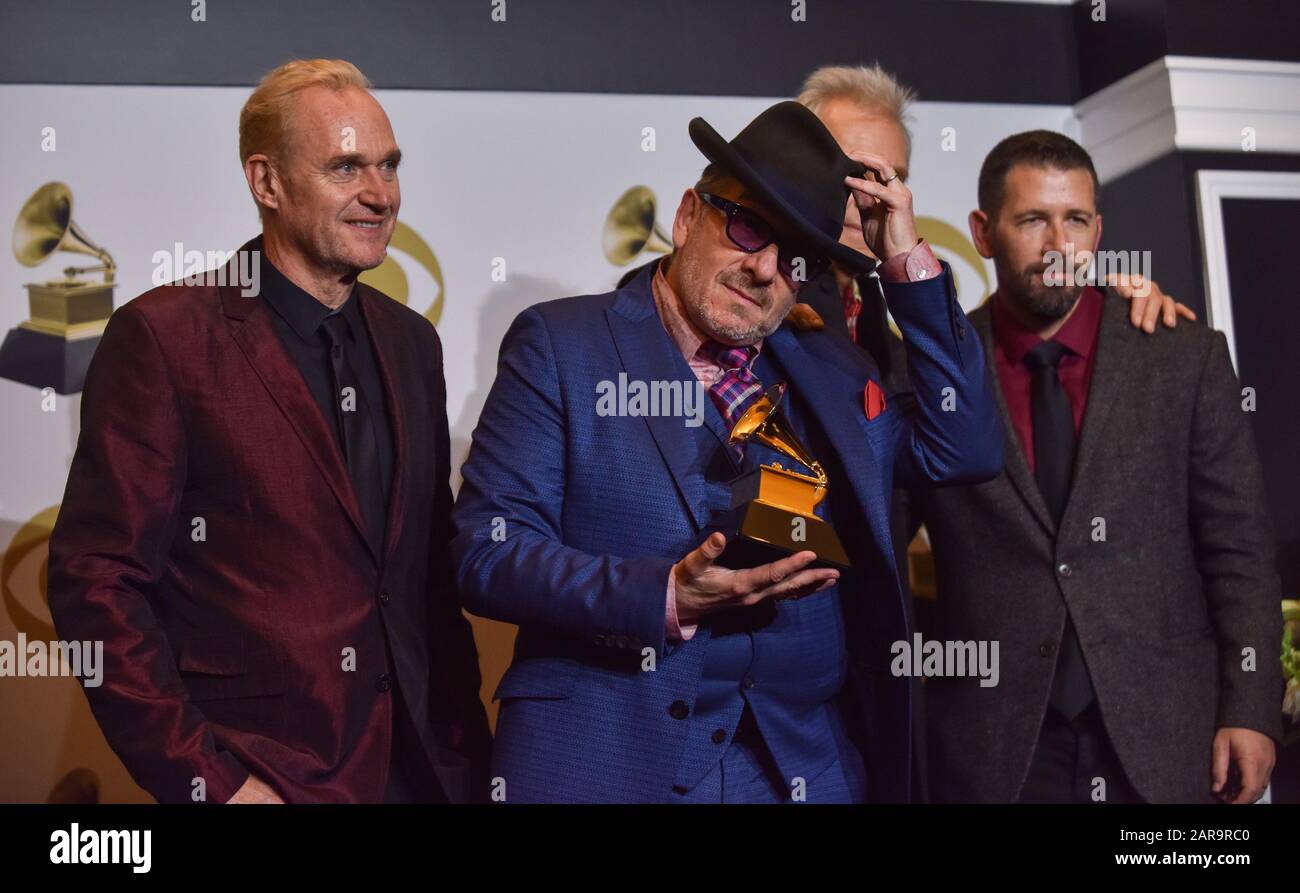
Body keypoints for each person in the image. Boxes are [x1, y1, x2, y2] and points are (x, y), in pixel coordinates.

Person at [452, 100, 1002, 803]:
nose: (764, 266)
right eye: (745, 226)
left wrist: (906, 264)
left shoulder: (832, 369)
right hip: (609, 763)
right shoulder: (562, 346)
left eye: (794, 254)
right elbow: (487, 554)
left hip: (803, 769)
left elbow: (967, 447)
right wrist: (665, 596)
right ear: (687, 216)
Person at [46, 58, 489, 804]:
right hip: (271, 775)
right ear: (267, 182)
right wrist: (211, 781)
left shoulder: (412, 341)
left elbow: (424, 580)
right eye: (346, 166)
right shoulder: (164, 338)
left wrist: (466, 754)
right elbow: (95, 584)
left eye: (388, 166)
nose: (379, 194)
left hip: (429, 771)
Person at [907, 130, 1281, 803]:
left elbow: (1241, 549)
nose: (1059, 244)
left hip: (1167, 737)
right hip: (995, 749)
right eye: (1032, 220)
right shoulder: (936, 371)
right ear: (983, 232)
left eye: (1075, 219)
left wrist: (1250, 709)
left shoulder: (1182, 356)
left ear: (1099, 229)